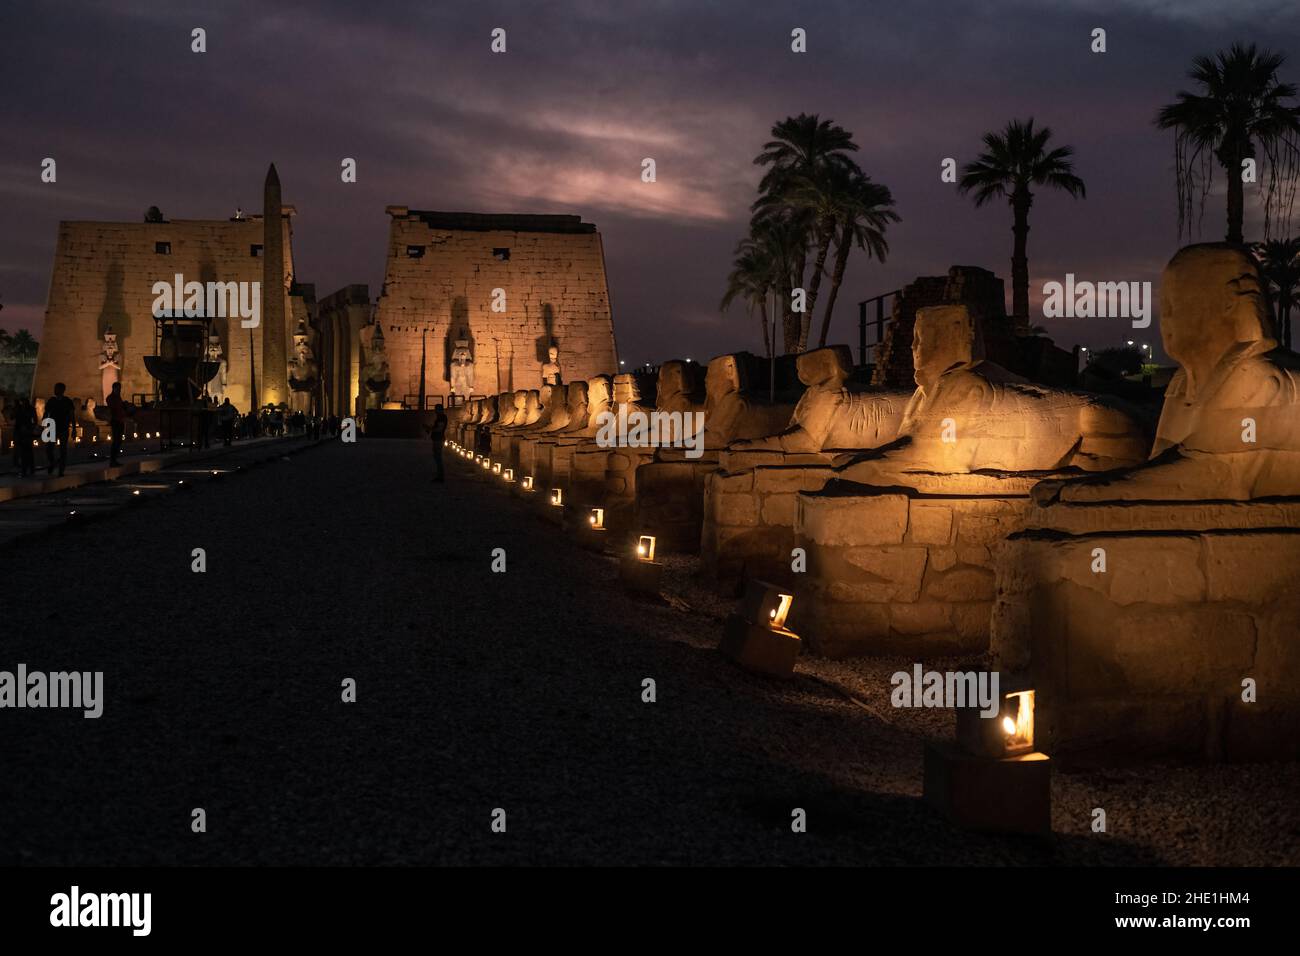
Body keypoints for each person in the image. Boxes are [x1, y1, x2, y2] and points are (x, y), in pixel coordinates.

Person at [43, 382, 75, 477]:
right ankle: (53, 462)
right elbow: (46, 413)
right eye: (55, 388)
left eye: (57, 388)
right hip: (52, 427)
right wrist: (43, 425)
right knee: (49, 449)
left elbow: (72, 415)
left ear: (62, 390)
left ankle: (61, 470)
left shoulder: (67, 401)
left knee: (63, 450)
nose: (55, 390)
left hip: (63, 427)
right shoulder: (52, 400)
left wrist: (74, 428)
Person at [13, 397, 37, 477]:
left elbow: (34, 420)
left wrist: (30, 428)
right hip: (19, 431)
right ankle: (25, 468)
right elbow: (12, 417)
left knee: (27, 450)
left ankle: (27, 468)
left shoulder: (30, 409)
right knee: (22, 450)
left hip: (27, 431)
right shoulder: (19, 409)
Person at [106, 381, 128, 466]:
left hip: (120, 420)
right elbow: (113, 409)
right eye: (118, 389)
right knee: (116, 441)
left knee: (119, 441)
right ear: (114, 388)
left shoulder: (118, 398)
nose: (119, 390)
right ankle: (112, 460)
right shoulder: (111, 398)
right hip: (115, 421)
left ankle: (115, 459)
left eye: (120, 389)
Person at [427, 404, 448, 482]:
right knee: (437, 457)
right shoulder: (441, 417)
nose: (435, 411)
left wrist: (431, 429)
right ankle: (440, 475)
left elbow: (439, 429)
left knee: (438, 458)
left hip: (438, 439)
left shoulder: (442, 417)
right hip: (438, 439)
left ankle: (440, 476)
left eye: (436, 409)